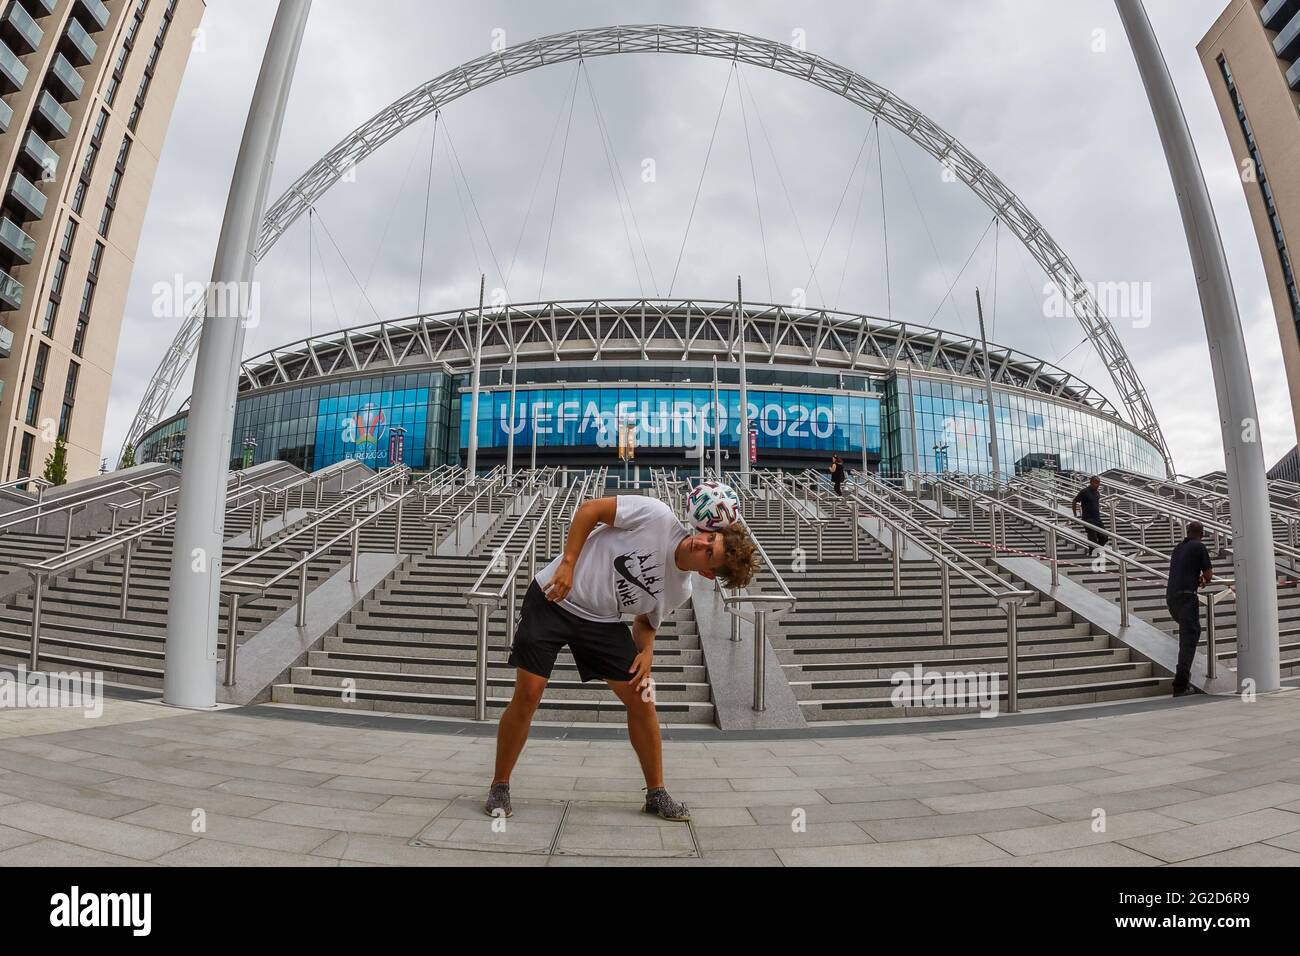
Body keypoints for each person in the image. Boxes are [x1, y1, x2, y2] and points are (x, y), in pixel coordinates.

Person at [484, 494, 760, 822]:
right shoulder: (656, 516)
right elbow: (590, 509)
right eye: (709, 537)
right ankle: (500, 784)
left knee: (643, 696)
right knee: (529, 693)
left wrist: (647, 652)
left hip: (600, 622)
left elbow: (645, 621)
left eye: (709, 553)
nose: (700, 544)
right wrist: (568, 563)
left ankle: (656, 792)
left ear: (709, 574)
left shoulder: (680, 589)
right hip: (553, 598)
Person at [1166, 521, 1213, 697]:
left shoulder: (1178, 548)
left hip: (1172, 598)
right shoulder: (1199, 546)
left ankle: (1183, 679)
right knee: (1189, 639)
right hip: (1187, 597)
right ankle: (1180, 684)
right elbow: (1208, 575)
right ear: (1202, 532)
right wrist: (1202, 579)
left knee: (1187, 635)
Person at [1072, 475, 1109, 550]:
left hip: (1097, 519)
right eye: (1096, 483)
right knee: (1093, 538)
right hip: (1088, 518)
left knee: (1104, 537)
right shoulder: (1084, 491)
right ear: (1091, 482)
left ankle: (1096, 550)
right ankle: (1092, 553)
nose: (1097, 485)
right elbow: (1074, 501)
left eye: (1098, 483)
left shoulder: (1097, 493)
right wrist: (1075, 514)